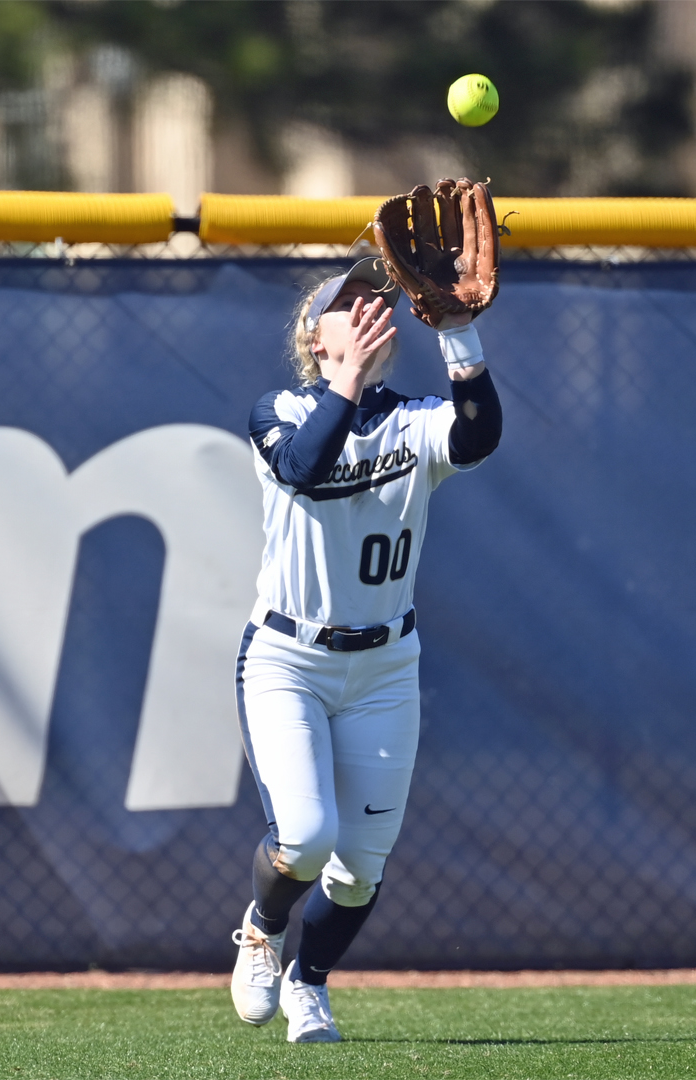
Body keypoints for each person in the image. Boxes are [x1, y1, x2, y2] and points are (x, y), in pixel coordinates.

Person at [229, 256, 502, 1042]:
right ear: (315, 337)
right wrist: (343, 384)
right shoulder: (276, 408)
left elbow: (479, 436)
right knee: (307, 840)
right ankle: (260, 928)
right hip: (289, 658)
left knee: (359, 870)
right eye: (347, 302)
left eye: (373, 298)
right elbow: (303, 468)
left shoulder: (413, 420)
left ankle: (308, 983)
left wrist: (459, 334)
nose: (367, 307)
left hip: (385, 665)